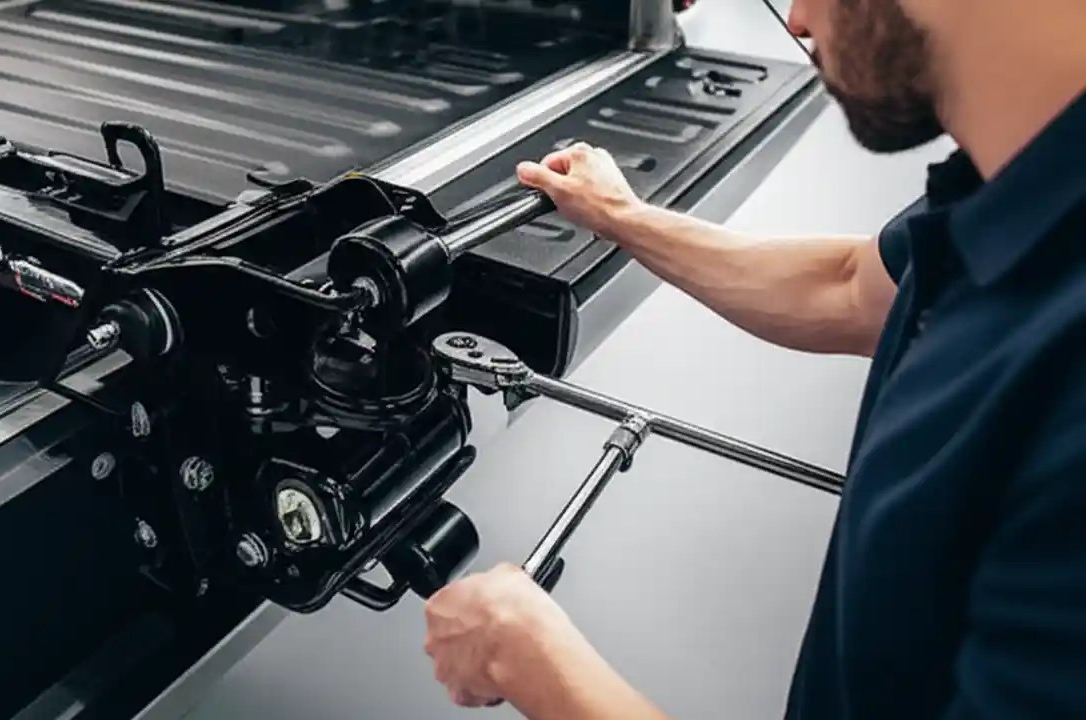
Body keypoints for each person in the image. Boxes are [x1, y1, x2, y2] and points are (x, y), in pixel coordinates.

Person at [422, 0, 1086, 717]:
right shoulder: (1013, 178)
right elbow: (850, 289)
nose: (797, 20)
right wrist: (619, 215)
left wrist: (524, 655)